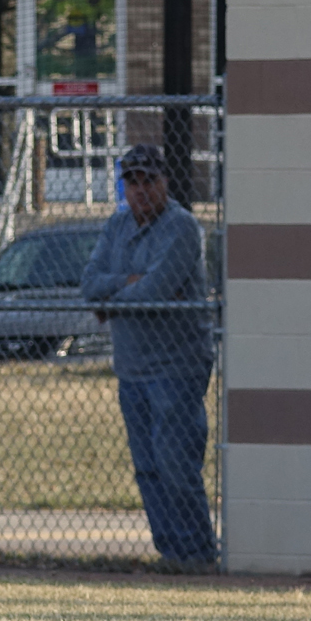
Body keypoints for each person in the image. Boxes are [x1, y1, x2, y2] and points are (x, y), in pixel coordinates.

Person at [81, 145, 217, 571]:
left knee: (175, 463)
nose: (139, 190)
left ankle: (198, 555)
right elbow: (88, 283)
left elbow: (157, 289)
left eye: (147, 180)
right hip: (132, 367)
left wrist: (113, 299)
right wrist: (128, 283)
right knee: (147, 468)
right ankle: (171, 554)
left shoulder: (182, 228)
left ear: (164, 183)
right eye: (132, 181)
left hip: (177, 367)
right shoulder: (117, 224)